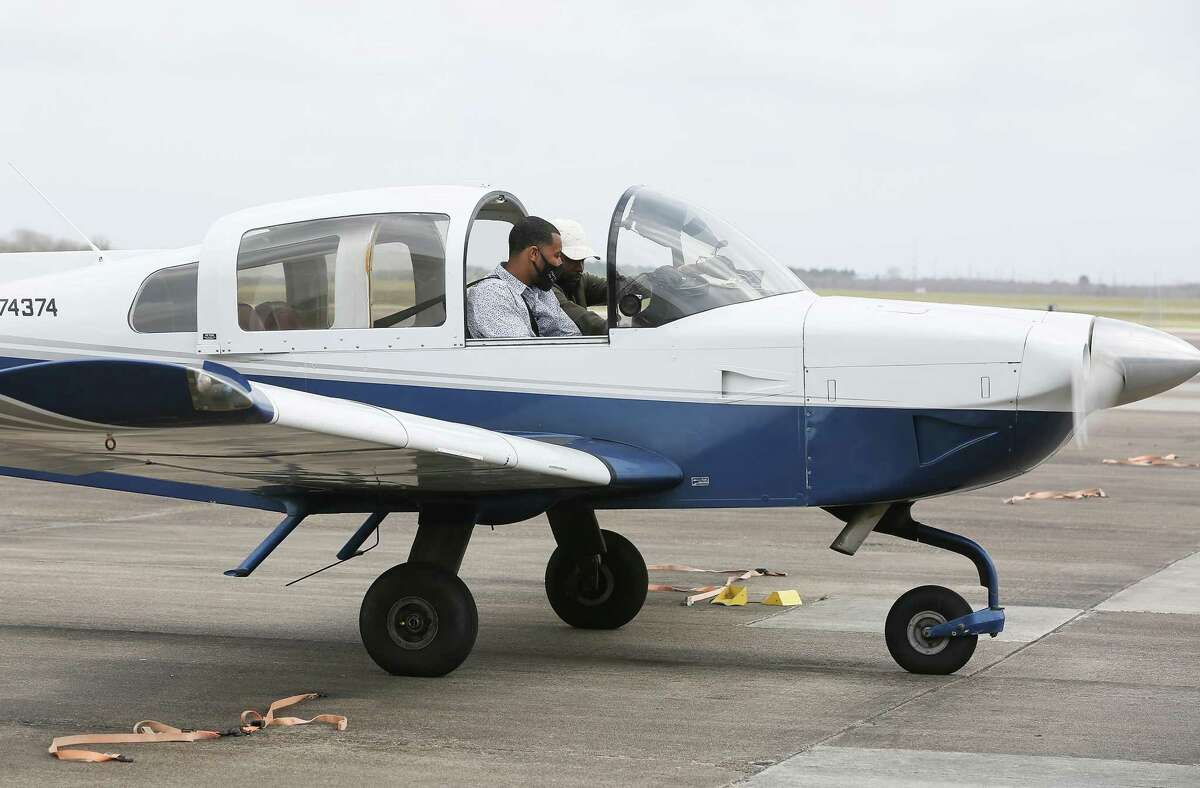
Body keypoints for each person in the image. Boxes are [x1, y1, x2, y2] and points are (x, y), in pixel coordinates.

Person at [465, 216, 581, 339]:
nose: (559, 263)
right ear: (534, 254)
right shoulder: (491, 294)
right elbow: (521, 354)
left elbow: (572, 335)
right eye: (557, 256)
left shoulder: (541, 291)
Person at [549, 218, 608, 336]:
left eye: (582, 260)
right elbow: (586, 321)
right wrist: (621, 328)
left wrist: (650, 281)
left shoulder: (578, 280)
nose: (580, 268)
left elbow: (617, 286)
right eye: (573, 260)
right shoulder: (544, 290)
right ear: (555, 256)